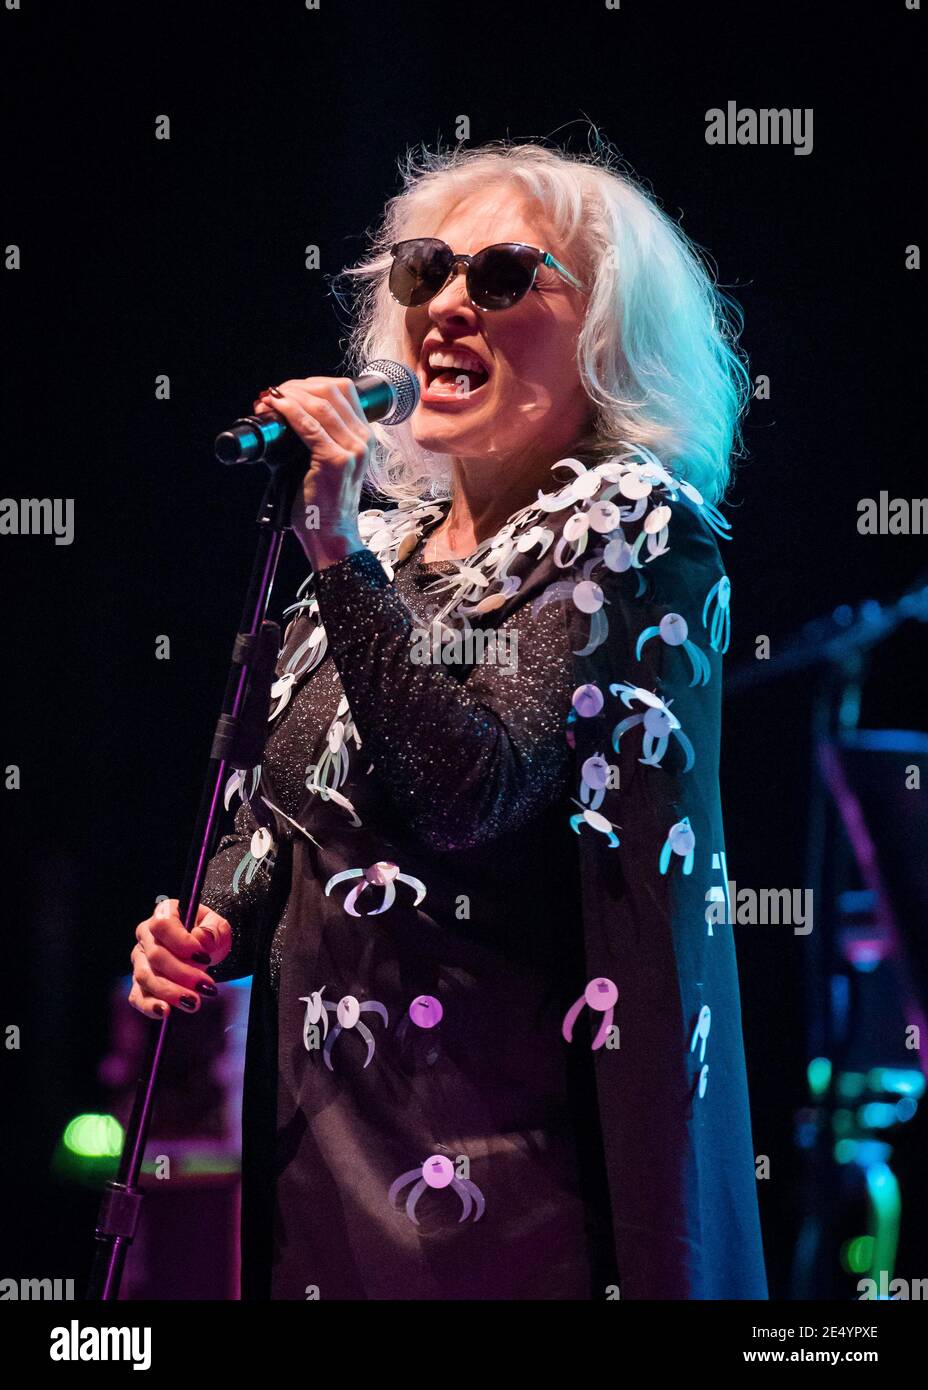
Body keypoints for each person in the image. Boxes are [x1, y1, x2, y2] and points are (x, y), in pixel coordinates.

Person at [128, 138, 768, 1300]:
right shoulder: (383, 557)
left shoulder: (634, 531)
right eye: (426, 272)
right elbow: (284, 821)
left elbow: (471, 790)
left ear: (608, 336)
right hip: (325, 1162)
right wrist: (207, 923)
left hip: (516, 1184)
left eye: (506, 276)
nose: (449, 307)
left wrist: (330, 544)